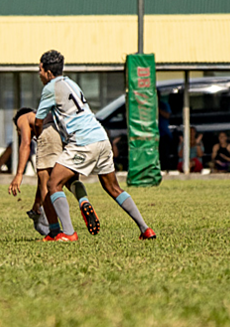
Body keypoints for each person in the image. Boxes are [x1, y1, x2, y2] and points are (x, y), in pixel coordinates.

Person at [35, 50, 156, 242]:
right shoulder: (70, 83)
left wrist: (37, 134)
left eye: (40, 70)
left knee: (53, 183)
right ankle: (145, 229)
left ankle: (67, 233)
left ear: (46, 70)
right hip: (101, 138)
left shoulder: (50, 87)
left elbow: (38, 121)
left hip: (83, 142)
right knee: (113, 188)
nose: (39, 74)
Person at [9, 107, 98, 238]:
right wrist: (37, 202)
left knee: (47, 186)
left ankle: (54, 231)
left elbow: (26, 144)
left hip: (49, 133)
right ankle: (83, 201)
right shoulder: (43, 115)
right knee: (69, 181)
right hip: (66, 133)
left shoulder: (23, 118)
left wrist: (19, 174)